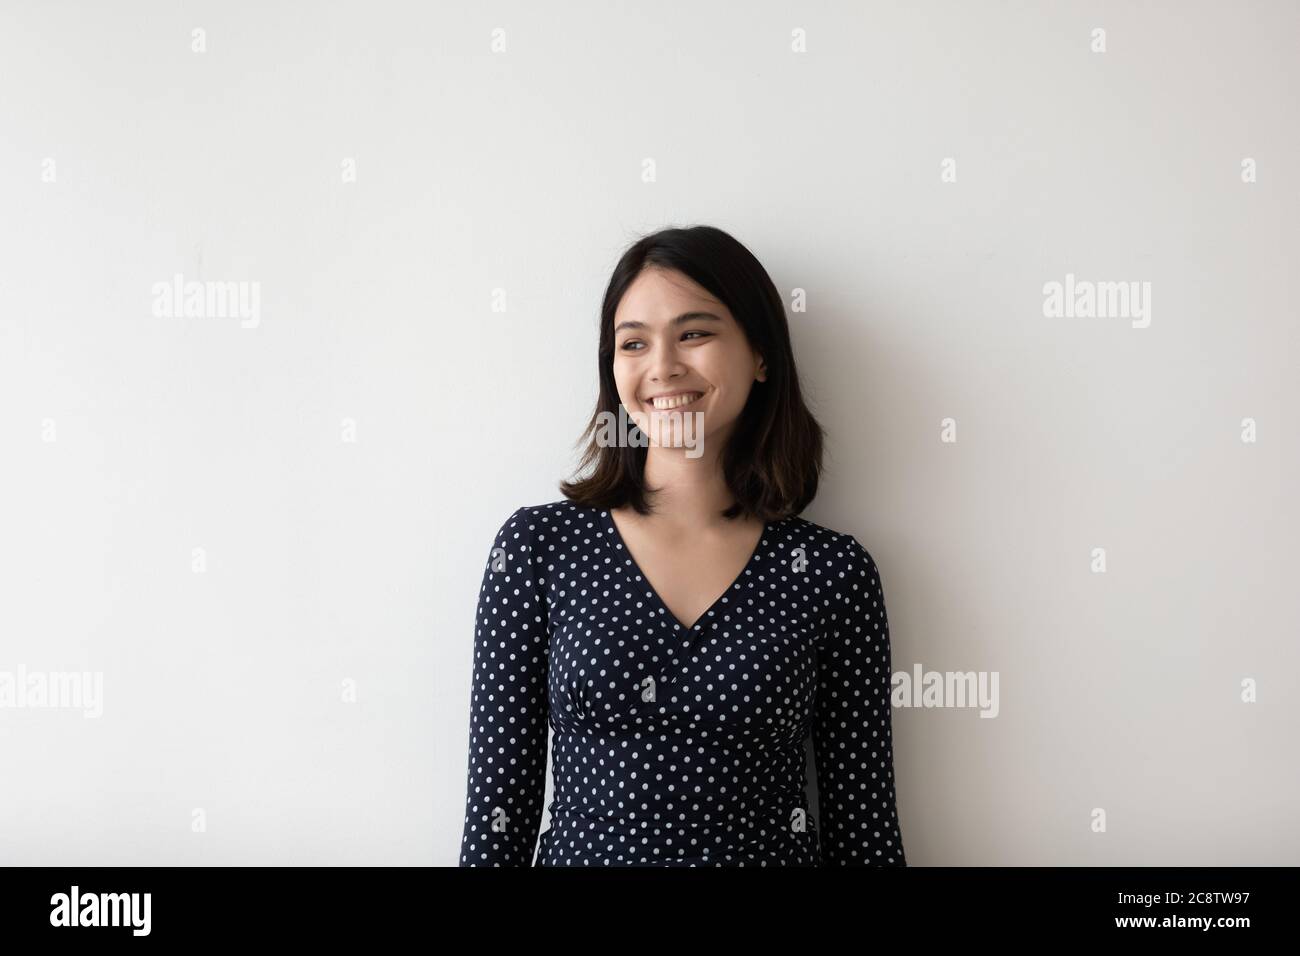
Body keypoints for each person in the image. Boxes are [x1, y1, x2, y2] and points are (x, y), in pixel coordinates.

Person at [459, 225, 906, 866]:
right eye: (633, 342)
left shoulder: (831, 572)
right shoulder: (539, 549)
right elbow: (497, 820)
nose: (663, 365)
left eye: (693, 333)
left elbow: (863, 827)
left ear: (760, 355)